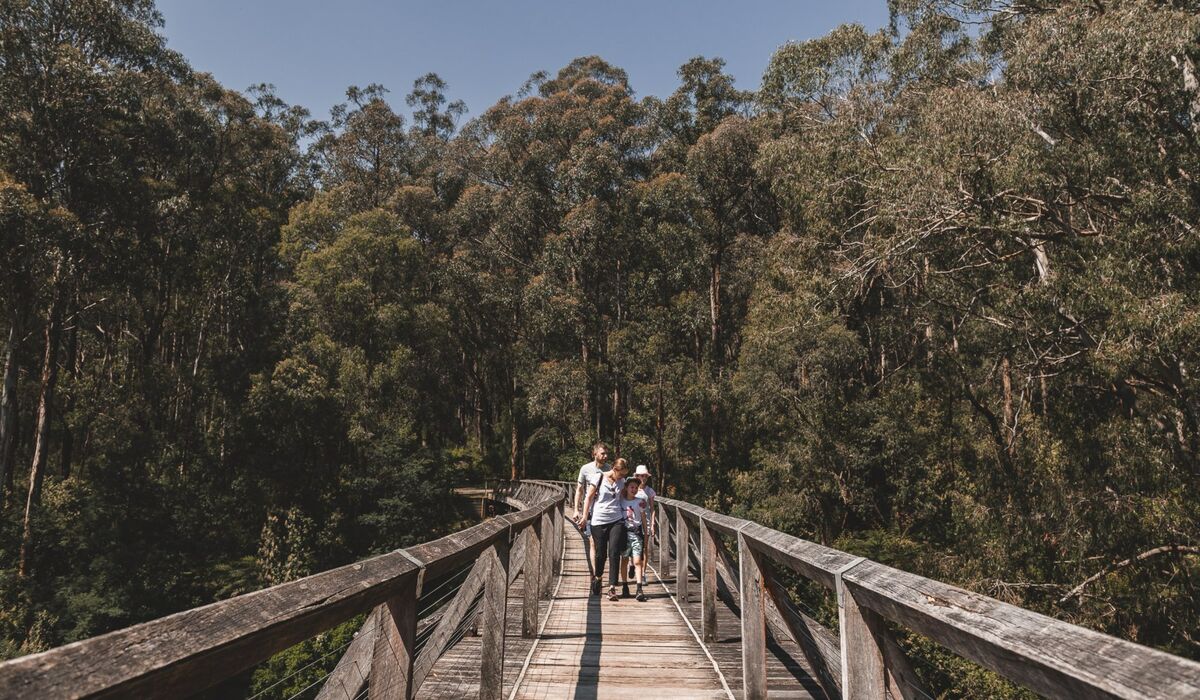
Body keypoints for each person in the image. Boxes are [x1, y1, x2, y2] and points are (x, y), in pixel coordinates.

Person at [575, 458, 629, 600]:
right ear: (615, 470)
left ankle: (612, 588)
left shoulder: (622, 481)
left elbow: (626, 496)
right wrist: (584, 516)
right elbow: (588, 498)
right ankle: (598, 577)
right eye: (621, 474)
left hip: (616, 520)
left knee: (614, 552)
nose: (622, 477)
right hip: (598, 521)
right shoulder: (598, 478)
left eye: (624, 475)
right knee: (600, 554)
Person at [574, 442, 611, 567]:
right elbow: (579, 489)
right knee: (592, 542)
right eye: (602, 453)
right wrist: (576, 509)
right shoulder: (585, 469)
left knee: (603, 543)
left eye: (606, 454)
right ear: (594, 454)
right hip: (590, 510)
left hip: (605, 510)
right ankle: (595, 573)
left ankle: (600, 566)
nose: (605, 456)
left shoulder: (610, 469)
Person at [618, 477, 648, 601]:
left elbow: (643, 518)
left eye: (636, 488)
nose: (634, 489)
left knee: (637, 561)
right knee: (624, 560)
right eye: (631, 487)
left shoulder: (640, 502)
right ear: (626, 488)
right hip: (624, 534)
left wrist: (646, 534)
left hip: (636, 534)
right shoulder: (621, 501)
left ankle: (639, 588)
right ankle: (625, 586)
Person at [630, 464, 656, 588]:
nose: (643, 478)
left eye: (645, 476)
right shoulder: (631, 488)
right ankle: (632, 565)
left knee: (645, 548)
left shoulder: (649, 491)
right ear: (636, 476)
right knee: (633, 547)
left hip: (646, 522)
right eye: (641, 476)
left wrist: (653, 524)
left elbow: (652, 508)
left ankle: (643, 574)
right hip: (633, 522)